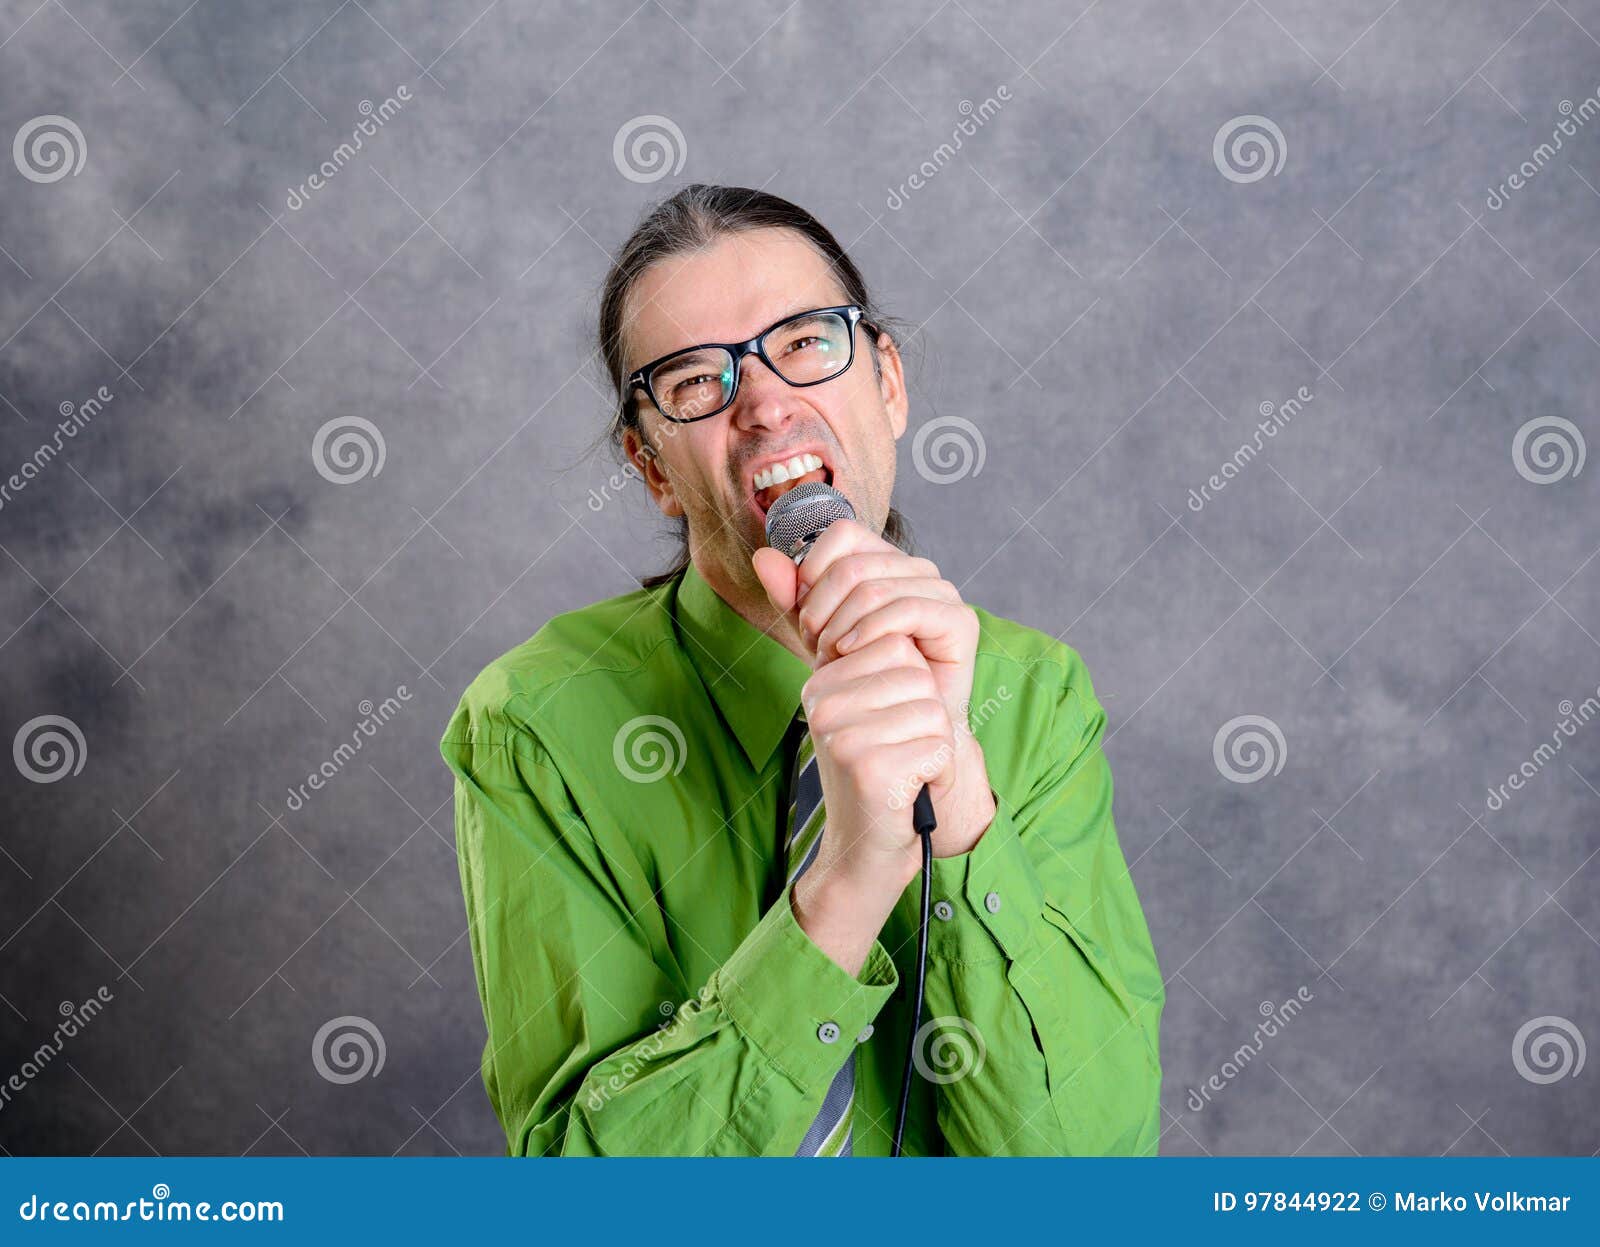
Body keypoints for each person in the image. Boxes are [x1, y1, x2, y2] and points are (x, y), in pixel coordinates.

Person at [438, 184, 1164, 1156]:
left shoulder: (1034, 691)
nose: (767, 402)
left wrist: (955, 802)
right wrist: (849, 881)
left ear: (889, 384)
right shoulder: (534, 721)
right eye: (696, 381)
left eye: (808, 341)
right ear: (653, 467)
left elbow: (1089, 1174)